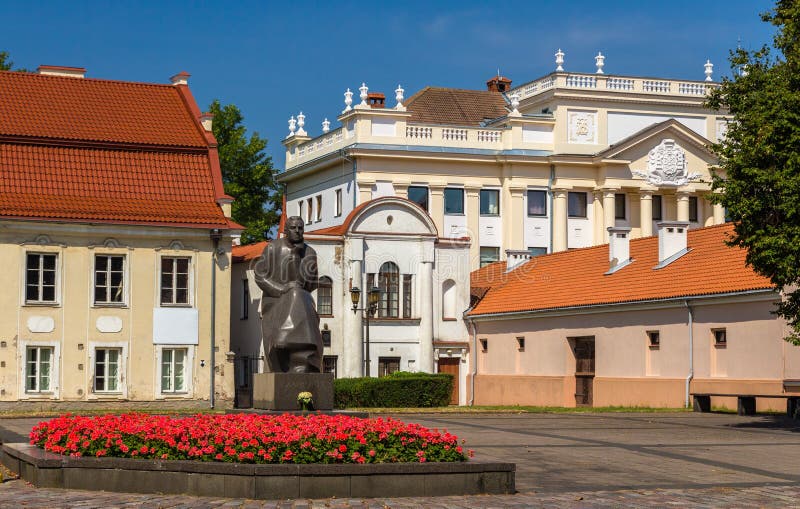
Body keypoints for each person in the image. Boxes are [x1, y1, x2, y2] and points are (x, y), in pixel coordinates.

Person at [254, 216, 323, 373]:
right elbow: (260, 276)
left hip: (301, 301)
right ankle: (292, 349)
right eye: (293, 228)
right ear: (285, 231)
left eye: (300, 228)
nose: (298, 231)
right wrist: (282, 289)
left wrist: (297, 257)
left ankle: (293, 350)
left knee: (297, 294)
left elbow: (311, 284)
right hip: (275, 301)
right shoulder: (273, 248)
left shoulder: (309, 253)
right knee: (294, 294)